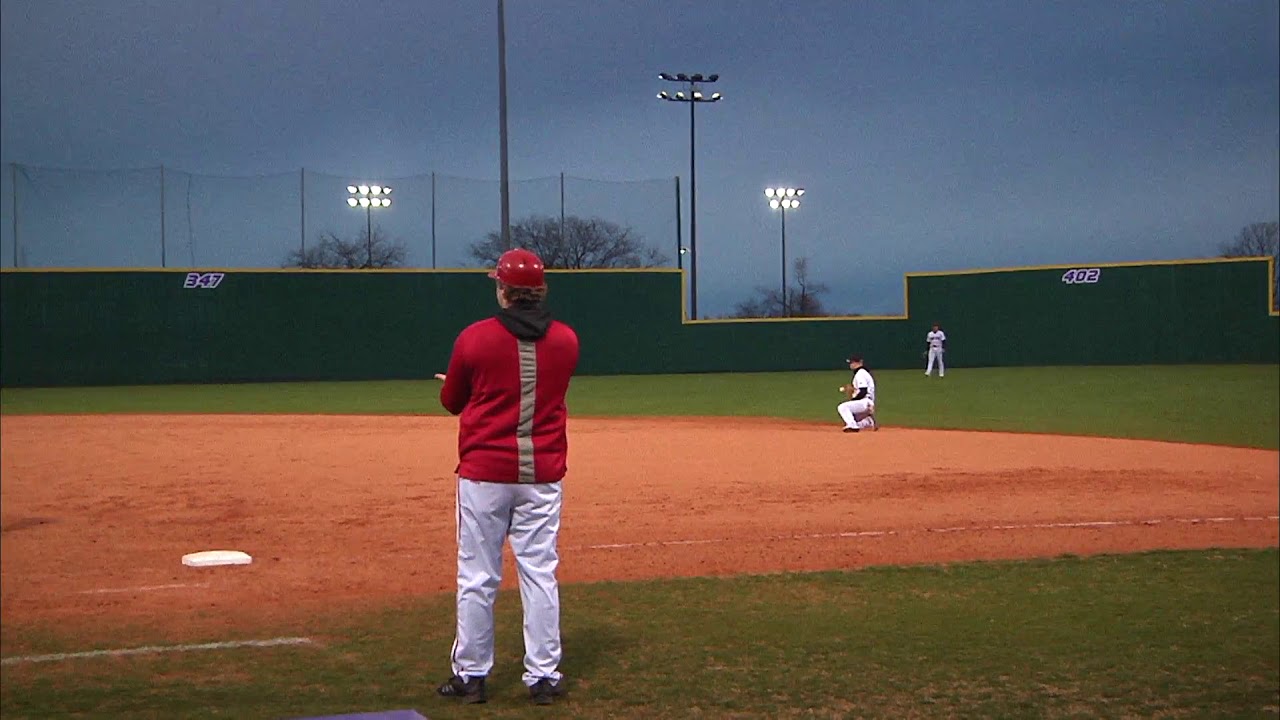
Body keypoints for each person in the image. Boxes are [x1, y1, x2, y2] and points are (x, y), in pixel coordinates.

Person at [432, 247, 580, 706]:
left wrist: (464, 388)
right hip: (542, 474)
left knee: (478, 576)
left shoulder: (475, 338)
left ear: (503, 290)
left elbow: (452, 401)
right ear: (540, 291)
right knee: (540, 573)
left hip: (485, 475)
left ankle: (472, 676)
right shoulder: (567, 340)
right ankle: (543, 678)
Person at [836, 354, 877, 432]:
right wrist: (853, 390)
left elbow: (863, 391)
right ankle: (867, 422)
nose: (850, 364)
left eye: (852, 362)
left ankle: (852, 426)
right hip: (868, 403)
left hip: (864, 402)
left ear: (859, 363)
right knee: (851, 416)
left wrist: (853, 400)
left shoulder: (860, 373)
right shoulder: (863, 372)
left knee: (843, 407)